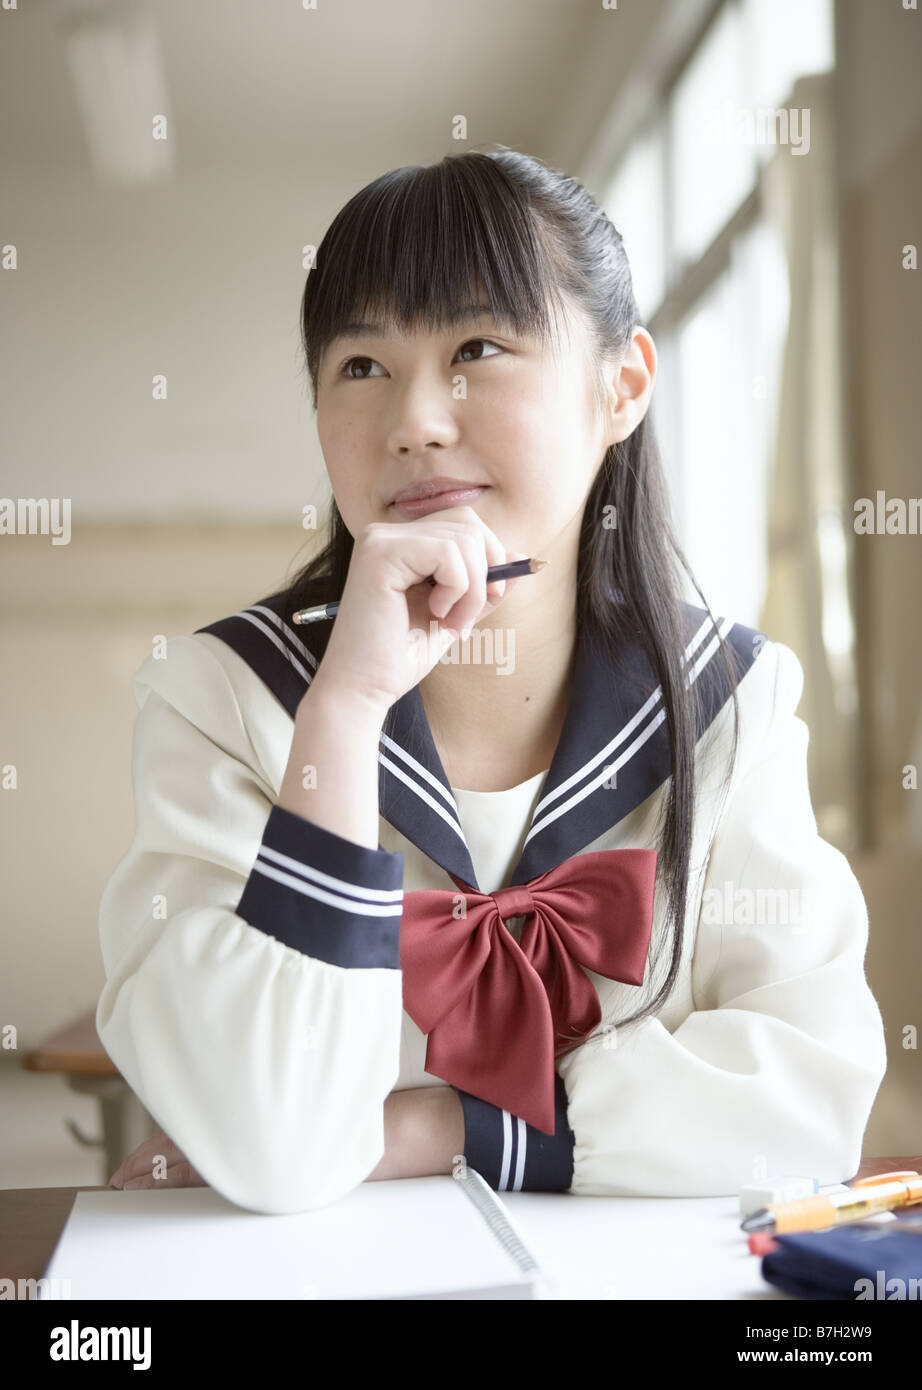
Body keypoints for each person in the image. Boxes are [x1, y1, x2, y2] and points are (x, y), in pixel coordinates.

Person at [102, 148, 887, 1215]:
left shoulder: (730, 702)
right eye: (360, 366)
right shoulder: (221, 699)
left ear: (621, 389)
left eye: (477, 346)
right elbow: (275, 1144)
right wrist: (342, 709)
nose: (417, 419)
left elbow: (810, 1099)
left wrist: (439, 1125)